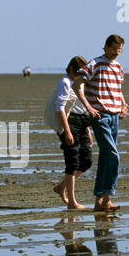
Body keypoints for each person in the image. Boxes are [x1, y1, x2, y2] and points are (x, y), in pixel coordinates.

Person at [75, 35, 128, 213]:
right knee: (114, 155)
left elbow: (118, 90)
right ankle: (107, 197)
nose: (115, 53)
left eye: (119, 50)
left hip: (114, 116)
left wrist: (124, 105)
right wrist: (88, 107)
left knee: (106, 157)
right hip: (100, 115)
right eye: (113, 49)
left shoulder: (118, 67)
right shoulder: (94, 64)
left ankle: (101, 200)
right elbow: (77, 85)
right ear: (105, 47)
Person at [47, 55, 100, 210]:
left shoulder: (80, 83)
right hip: (69, 123)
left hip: (82, 122)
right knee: (72, 162)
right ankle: (72, 202)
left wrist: (88, 130)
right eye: (78, 72)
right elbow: (60, 109)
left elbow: (82, 106)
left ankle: (61, 187)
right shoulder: (65, 82)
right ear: (72, 69)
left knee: (86, 161)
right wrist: (67, 132)